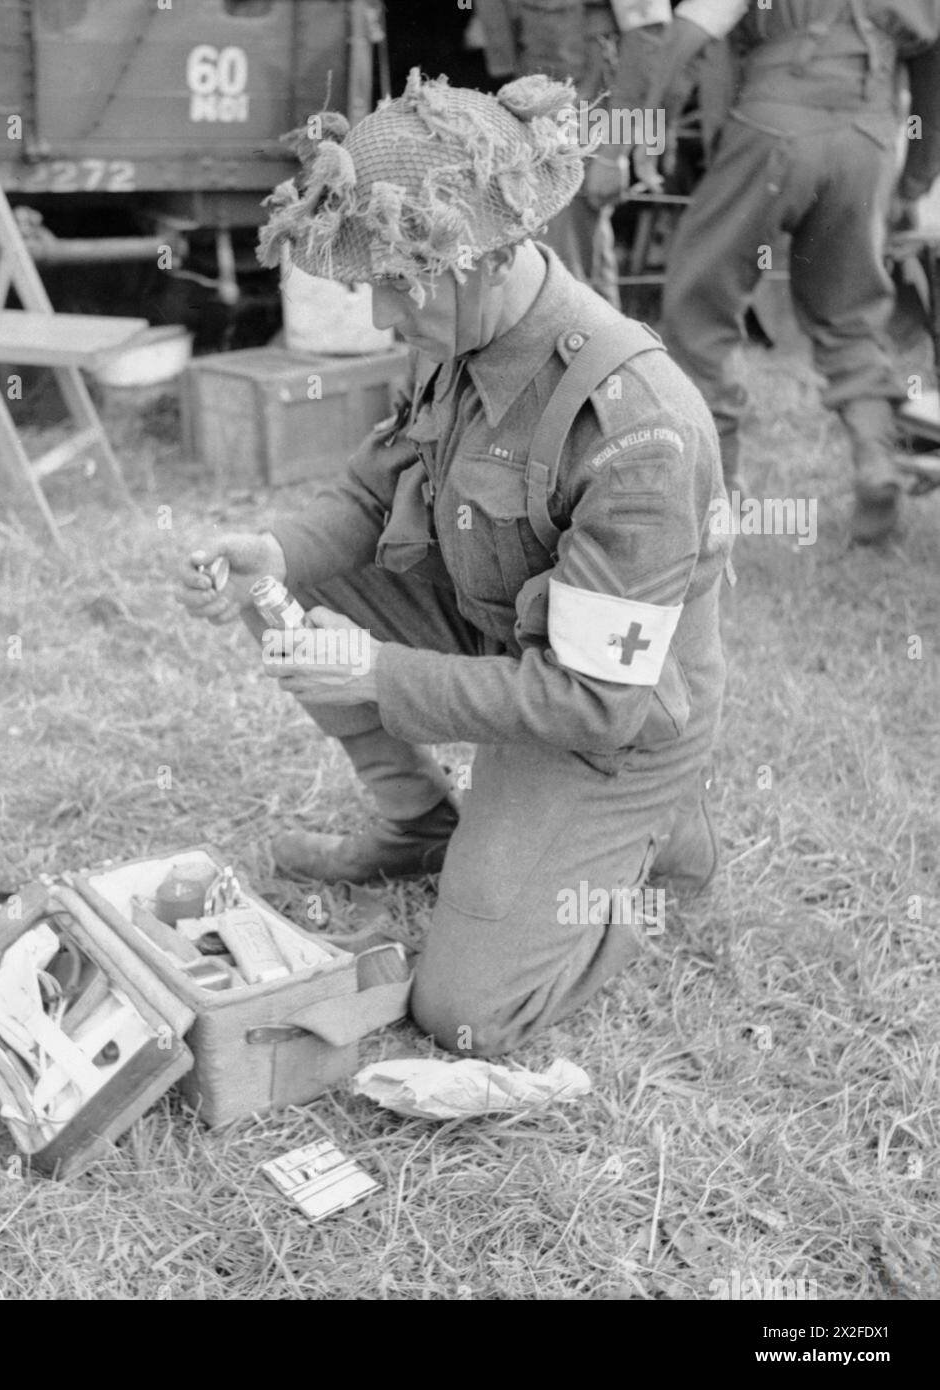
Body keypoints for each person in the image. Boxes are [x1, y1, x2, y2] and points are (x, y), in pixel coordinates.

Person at [177, 70, 732, 1055]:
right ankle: (424, 826)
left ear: (479, 257)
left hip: (614, 720)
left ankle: (643, 839)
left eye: (393, 284)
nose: (382, 315)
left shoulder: (633, 425)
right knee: (286, 592)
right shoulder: (458, 327)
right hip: (501, 634)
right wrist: (269, 554)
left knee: (464, 1013)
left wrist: (380, 674)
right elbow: (362, 493)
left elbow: (594, 701)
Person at [643, 0, 940, 542]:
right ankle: (875, 460)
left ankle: (713, 497)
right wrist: (913, 184)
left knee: (701, 305)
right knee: (851, 312)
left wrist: (643, 130)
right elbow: (932, 74)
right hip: (867, 140)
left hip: (771, 126)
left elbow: (688, 34)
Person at [472, 0, 676, 307]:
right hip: (533, 99)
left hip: (586, 99)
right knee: (545, 258)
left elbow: (648, 39)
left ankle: (602, 350)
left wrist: (613, 154)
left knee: (569, 266)